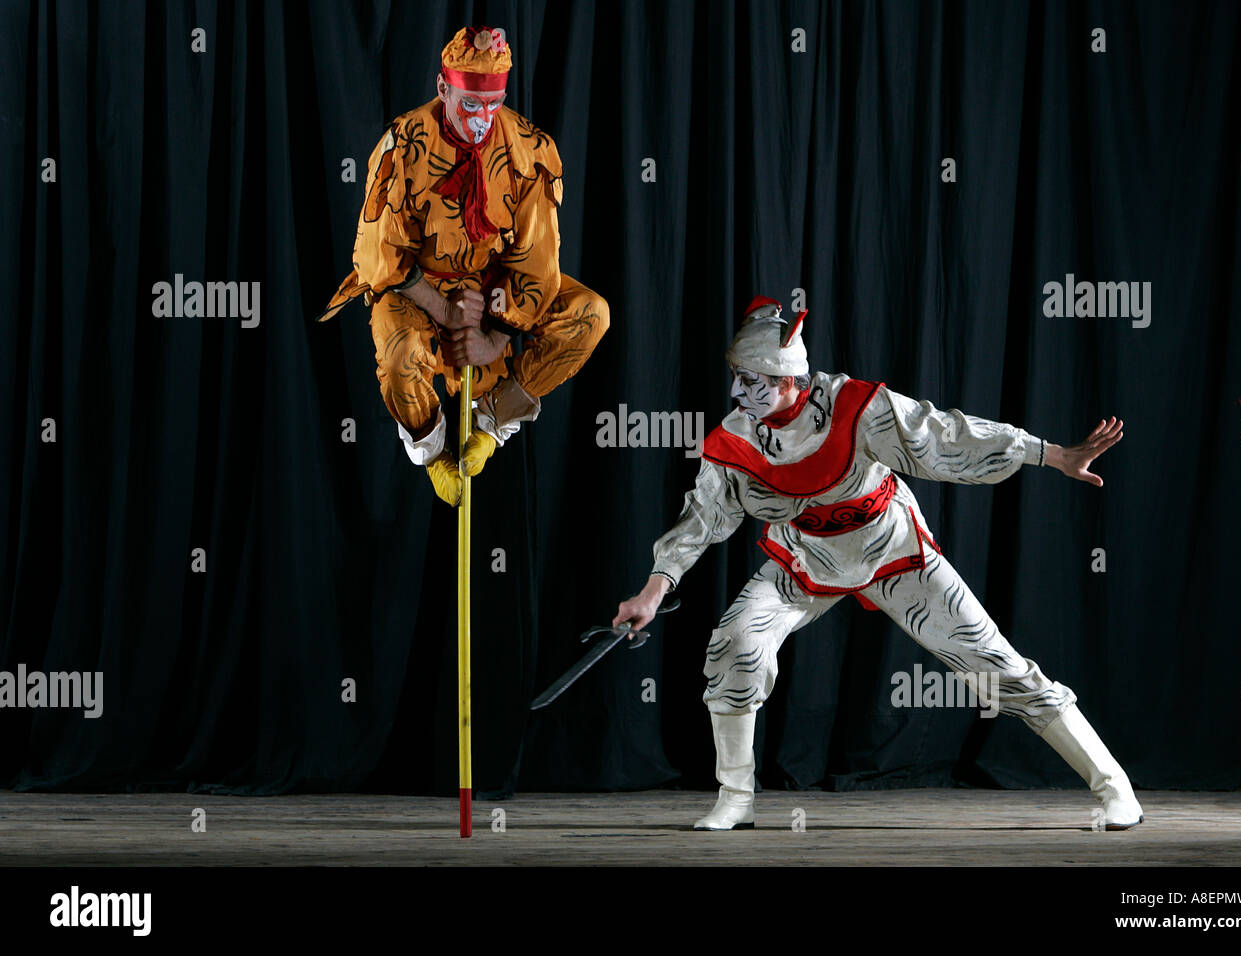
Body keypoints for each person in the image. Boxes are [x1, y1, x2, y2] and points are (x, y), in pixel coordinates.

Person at [614, 296, 1144, 831]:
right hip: (805, 558)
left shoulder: (858, 406)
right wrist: (652, 592)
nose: (737, 392)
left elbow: (944, 436)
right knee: (736, 645)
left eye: (753, 382)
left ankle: (1114, 786)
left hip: (892, 551)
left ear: (791, 380)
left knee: (997, 667)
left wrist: (1052, 453)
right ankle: (735, 798)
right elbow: (701, 518)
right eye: (736, 378)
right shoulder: (737, 438)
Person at [318, 26, 608, 505]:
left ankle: (493, 421)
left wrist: (494, 336)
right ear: (443, 88)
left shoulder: (530, 150)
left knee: (590, 314)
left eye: (493, 104)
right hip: (418, 287)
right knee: (398, 354)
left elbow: (537, 264)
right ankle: (434, 452)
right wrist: (446, 311)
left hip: (495, 284)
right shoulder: (404, 143)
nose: (481, 120)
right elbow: (380, 255)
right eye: (470, 104)